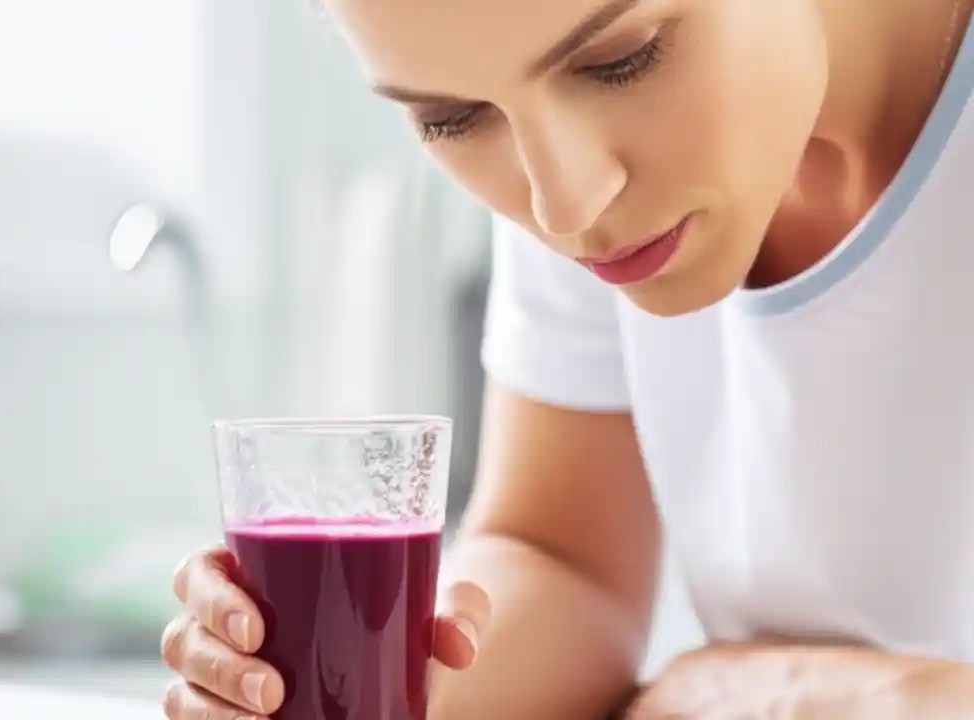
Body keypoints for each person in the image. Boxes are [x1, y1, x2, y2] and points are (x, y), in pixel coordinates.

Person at [161, 0, 974, 716]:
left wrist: (855, 698)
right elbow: (566, 563)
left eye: (623, 60)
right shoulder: (564, 166)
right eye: (452, 118)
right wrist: (376, 679)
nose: (565, 205)